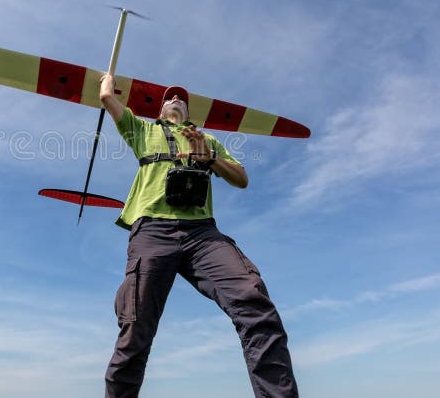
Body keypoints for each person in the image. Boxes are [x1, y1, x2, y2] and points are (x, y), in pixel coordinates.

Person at [100, 74, 299, 398]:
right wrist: (106, 86)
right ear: (161, 108)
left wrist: (210, 158)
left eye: (181, 97)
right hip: (152, 229)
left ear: (188, 109)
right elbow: (109, 100)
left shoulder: (206, 139)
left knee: (253, 301)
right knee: (136, 329)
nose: (176, 98)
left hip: (202, 234)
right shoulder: (143, 130)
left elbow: (241, 178)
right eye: (169, 97)